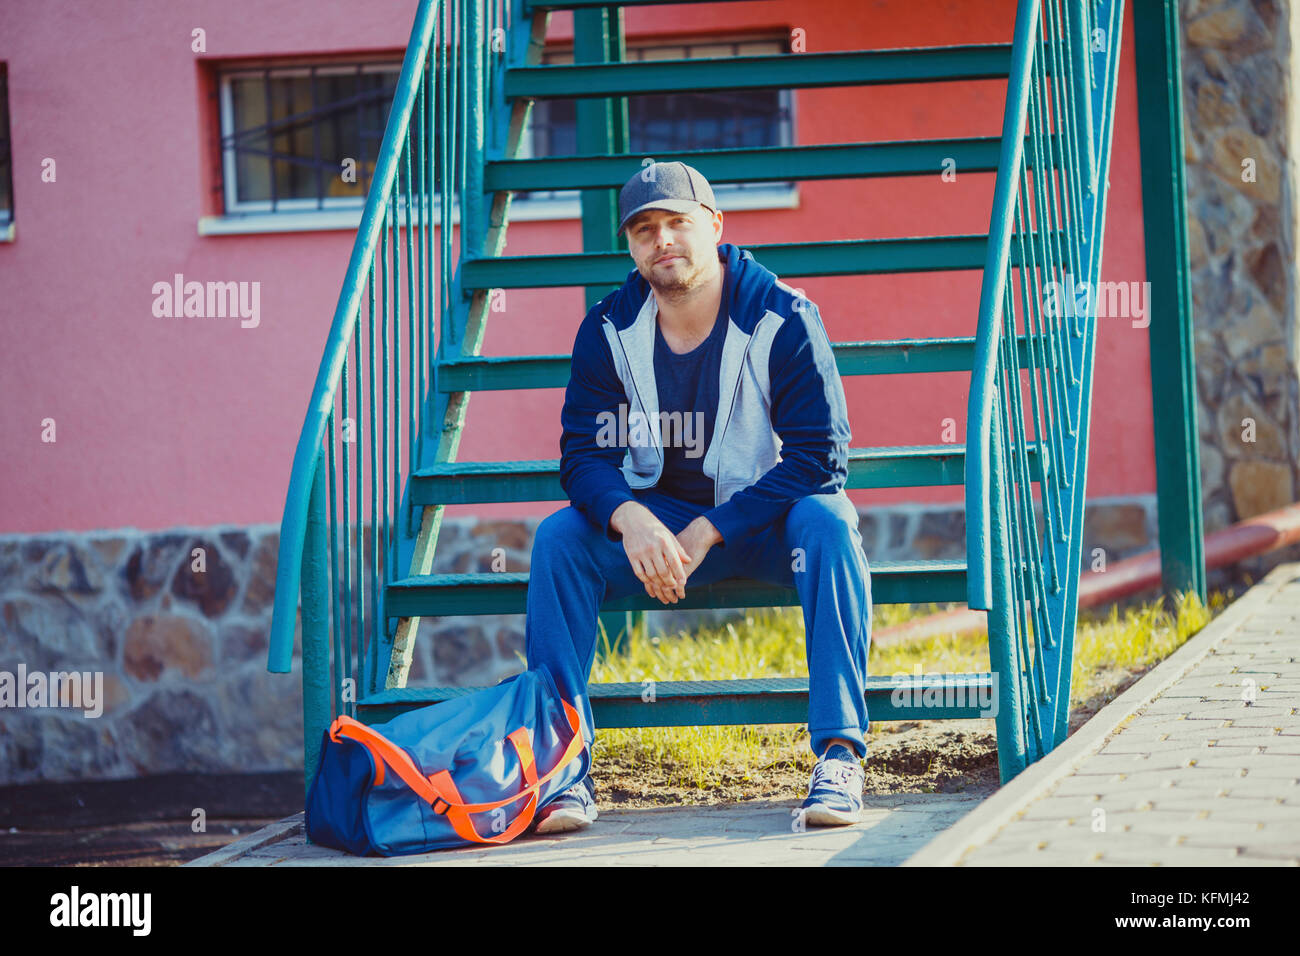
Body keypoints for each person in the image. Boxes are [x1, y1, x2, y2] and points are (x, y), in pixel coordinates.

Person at [525, 161, 873, 833]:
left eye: (678, 222)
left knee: (830, 522)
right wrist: (631, 518)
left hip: (766, 524)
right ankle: (563, 768)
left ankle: (840, 754)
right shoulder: (606, 329)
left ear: (714, 226)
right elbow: (584, 456)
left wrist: (713, 527)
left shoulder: (783, 315)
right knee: (559, 540)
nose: (664, 241)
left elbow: (820, 457)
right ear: (630, 245)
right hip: (660, 528)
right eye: (645, 229)